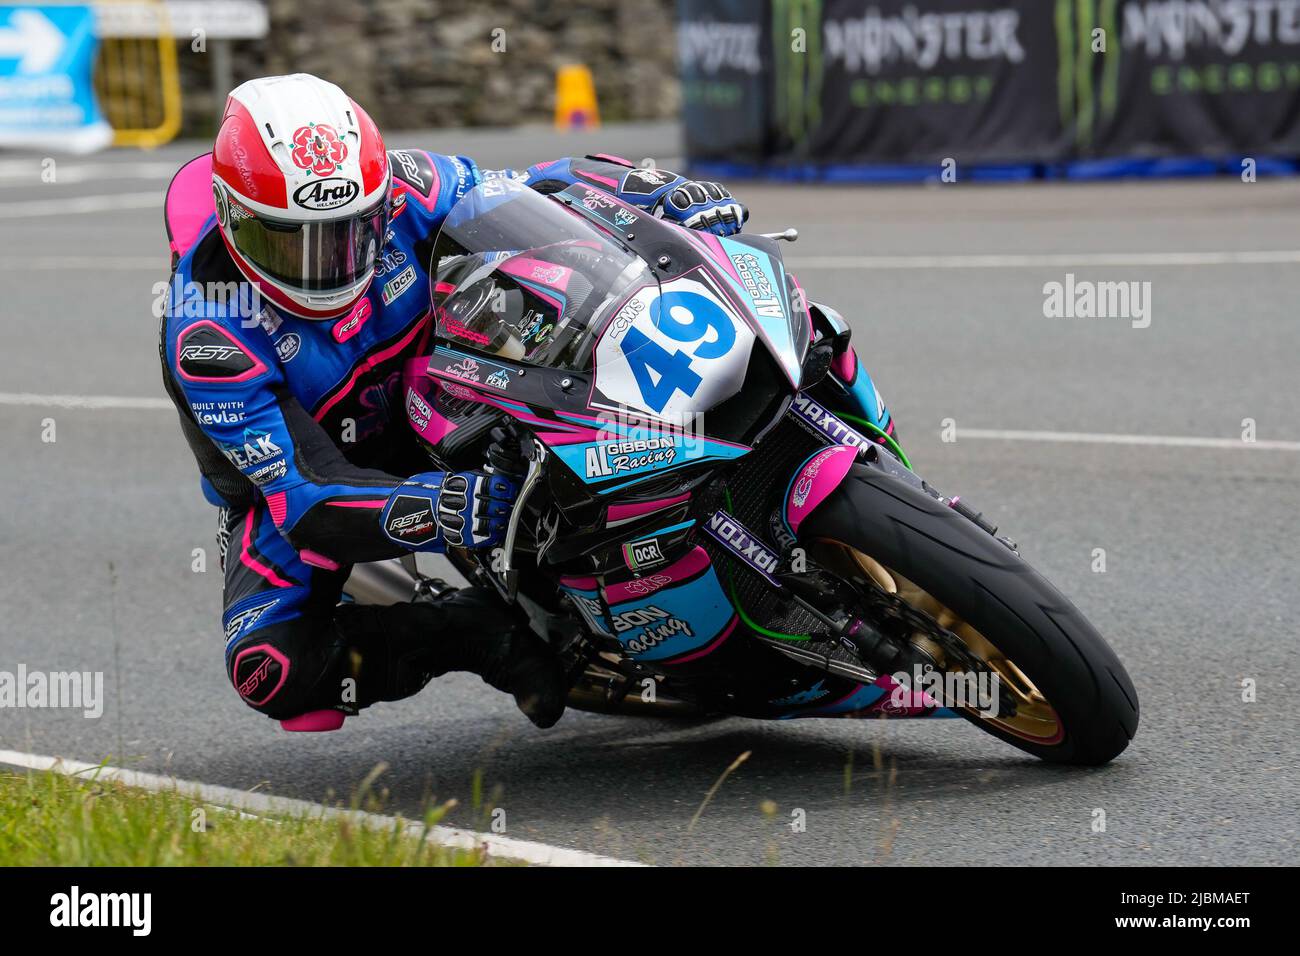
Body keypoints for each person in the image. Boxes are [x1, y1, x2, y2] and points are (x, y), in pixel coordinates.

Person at [159, 73, 748, 732]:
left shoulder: (408, 183)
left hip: (437, 381)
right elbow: (306, 497)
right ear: (234, 215)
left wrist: (651, 190)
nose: (326, 265)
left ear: (378, 202)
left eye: (347, 234)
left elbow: (531, 190)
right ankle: (470, 630)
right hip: (314, 470)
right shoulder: (207, 333)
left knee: (537, 293)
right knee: (271, 669)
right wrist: (443, 508)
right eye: (288, 242)